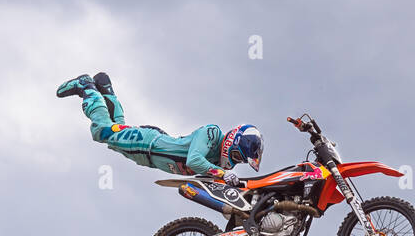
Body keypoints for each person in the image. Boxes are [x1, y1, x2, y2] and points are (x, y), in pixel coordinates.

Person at [56, 73, 263, 186]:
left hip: (148, 155)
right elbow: (193, 160)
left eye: (239, 160)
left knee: (114, 128)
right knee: (102, 131)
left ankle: (106, 91)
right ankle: (87, 87)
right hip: (148, 144)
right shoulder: (212, 133)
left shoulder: (218, 162)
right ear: (233, 140)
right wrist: (221, 174)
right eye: (237, 155)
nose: (234, 162)